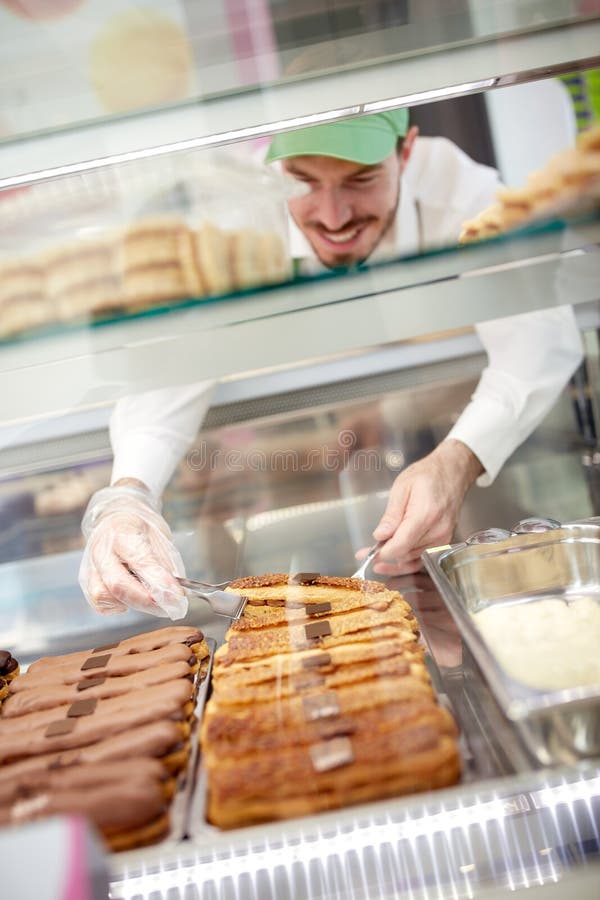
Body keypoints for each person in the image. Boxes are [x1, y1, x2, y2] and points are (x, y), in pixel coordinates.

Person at [78, 109, 583, 618]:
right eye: (304, 182)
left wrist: (457, 462)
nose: (334, 215)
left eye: (361, 181)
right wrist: (129, 496)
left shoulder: (456, 188)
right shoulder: (234, 217)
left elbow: (542, 340)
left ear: (406, 152)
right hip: (286, 467)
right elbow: (168, 370)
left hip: (460, 435)